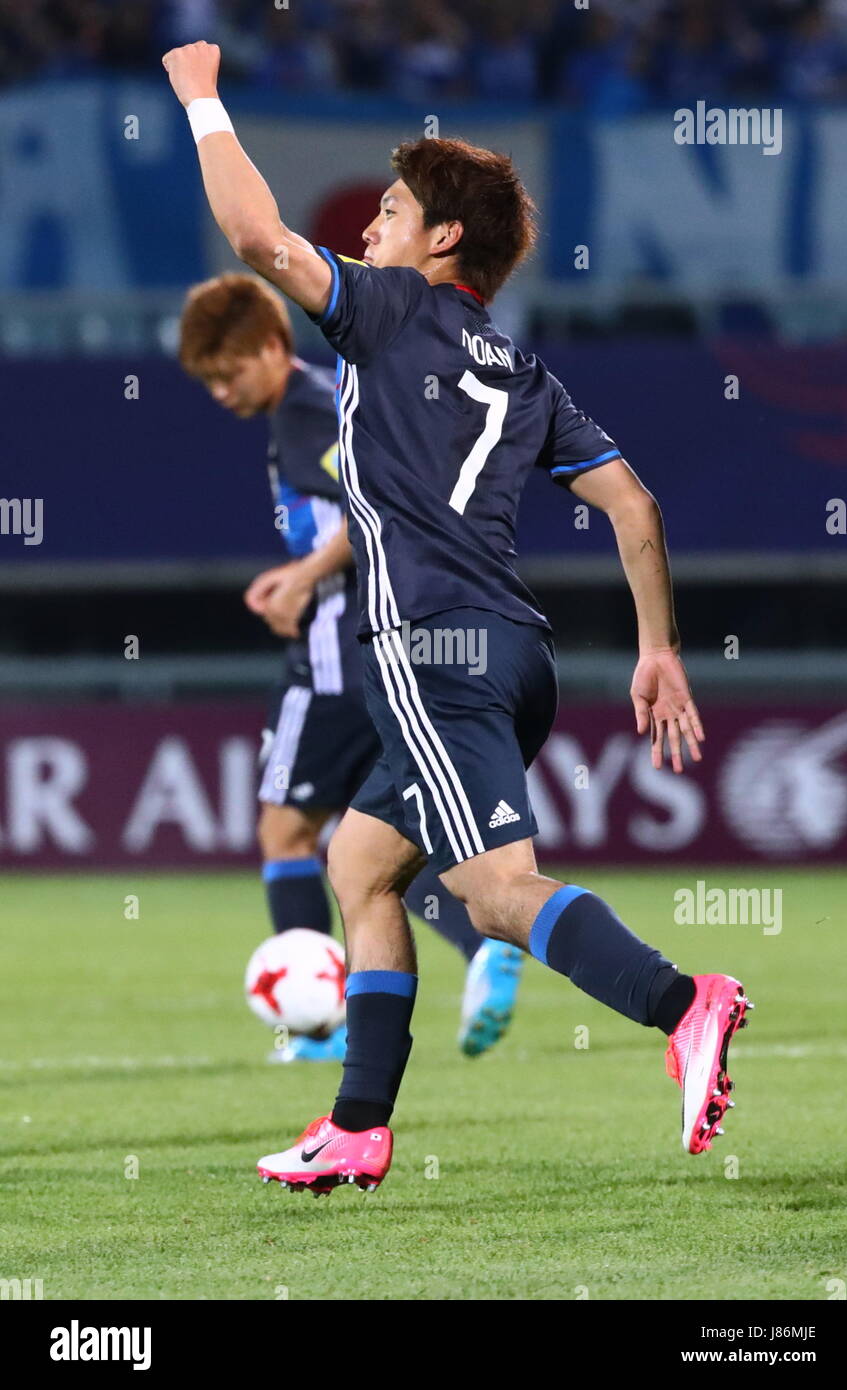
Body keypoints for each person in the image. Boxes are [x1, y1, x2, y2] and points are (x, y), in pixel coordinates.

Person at [162, 42, 752, 1194]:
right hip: (512, 653)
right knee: (362, 864)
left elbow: (253, 238)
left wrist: (199, 101)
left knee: (489, 892)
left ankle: (686, 1003)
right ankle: (357, 1126)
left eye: (388, 210)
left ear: (440, 243)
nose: (371, 226)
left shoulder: (384, 313)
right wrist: (656, 650)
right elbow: (633, 504)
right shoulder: (523, 370)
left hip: (432, 654)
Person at [178, 271, 524, 1061]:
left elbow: (374, 509)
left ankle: (319, 1025)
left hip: (335, 660)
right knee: (376, 843)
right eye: (209, 381)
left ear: (272, 346)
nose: (222, 393)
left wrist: (302, 578)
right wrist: (296, 570)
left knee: (285, 829)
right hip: (384, 651)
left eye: (229, 373)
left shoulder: (304, 410)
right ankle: (487, 943)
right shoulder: (311, 405)